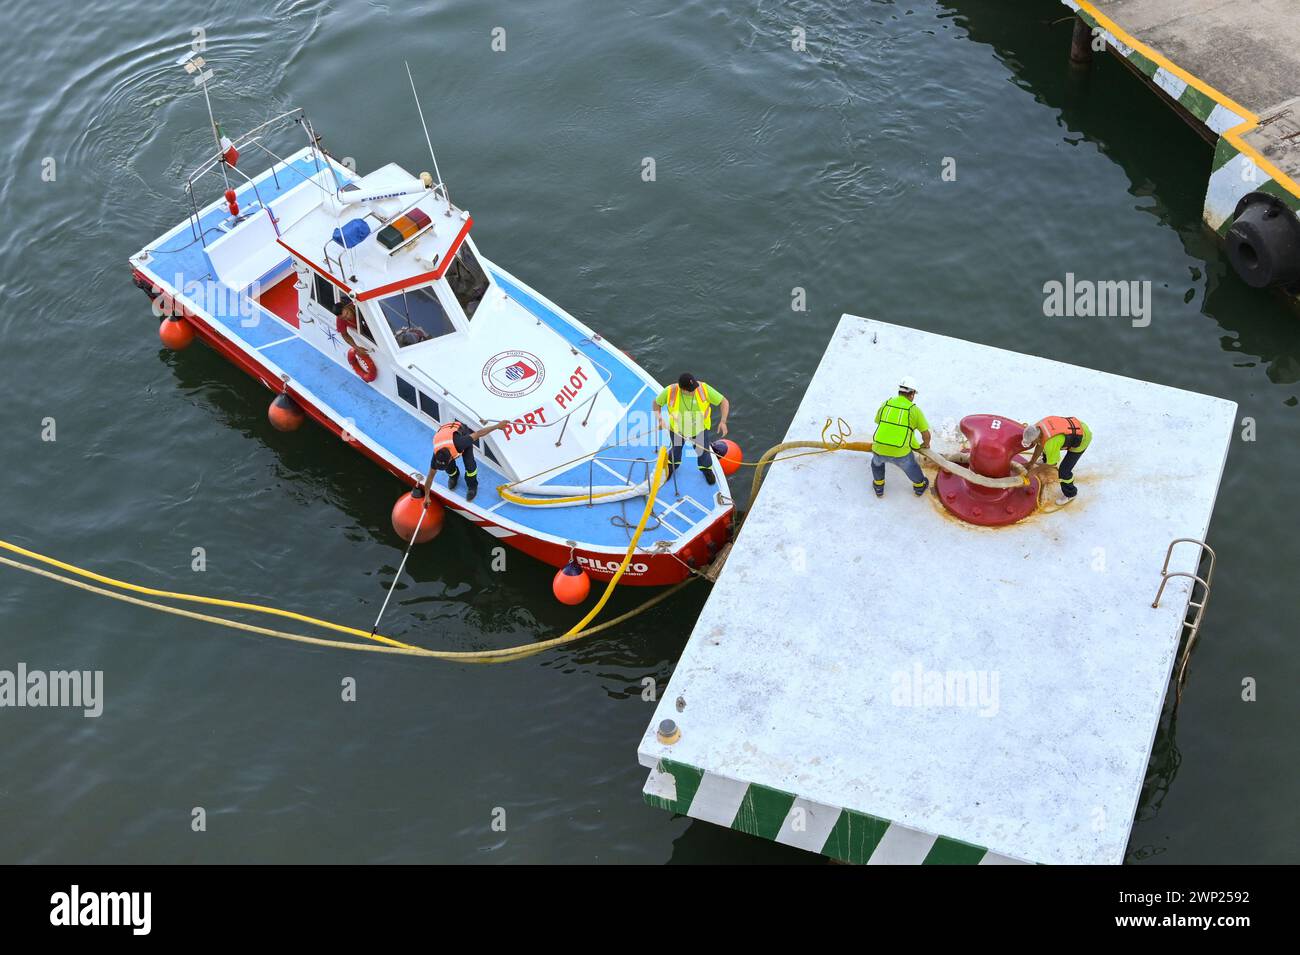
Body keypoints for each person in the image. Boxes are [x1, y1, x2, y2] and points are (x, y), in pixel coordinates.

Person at [653, 373, 730, 486]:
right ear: (682, 389)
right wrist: (660, 419)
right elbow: (656, 403)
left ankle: (706, 469)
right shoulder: (670, 391)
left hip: (700, 430)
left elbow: (724, 402)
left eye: (694, 387)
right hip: (677, 430)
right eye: (690, 390)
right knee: (676, 450)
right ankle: (672, 466)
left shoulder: (703, 389)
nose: (694, 391)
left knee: (703, 452)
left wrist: (723, 421)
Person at [870, 376, 931, 498]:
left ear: (899, 391)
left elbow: (878, 421)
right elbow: (926, 433)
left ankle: (878, 487)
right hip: (900, 452)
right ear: (912, 394)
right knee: (911, 466)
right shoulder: (914, 410)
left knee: (876, 464)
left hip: (879, 448)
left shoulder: (886, 403)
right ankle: (919, 486)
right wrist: (926, 444)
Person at [422, 419, 510, 503]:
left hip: (462, 432)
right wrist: (426, 496)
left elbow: (479, 433)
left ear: (450, 458)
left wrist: (497, 426)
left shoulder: (461, 443)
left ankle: (472, 486)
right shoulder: (437, 455)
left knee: (470, 466)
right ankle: (454, 476)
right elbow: (430, 477)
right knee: (448, 468)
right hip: (445, 435)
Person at [1021, 416, 1092, 505]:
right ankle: (1045, 460)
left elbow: (1053, 463)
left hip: (1082, 438)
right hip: (1075, 427)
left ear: (1037, 438)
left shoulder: (1050, 442)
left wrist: (1035, 471)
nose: (1032, 444)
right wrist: (1031, 462)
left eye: (1032, 442)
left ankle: (1070, 493)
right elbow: (1039, 445)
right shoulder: (1037, 427)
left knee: (1064, 471)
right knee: (1048, 448)